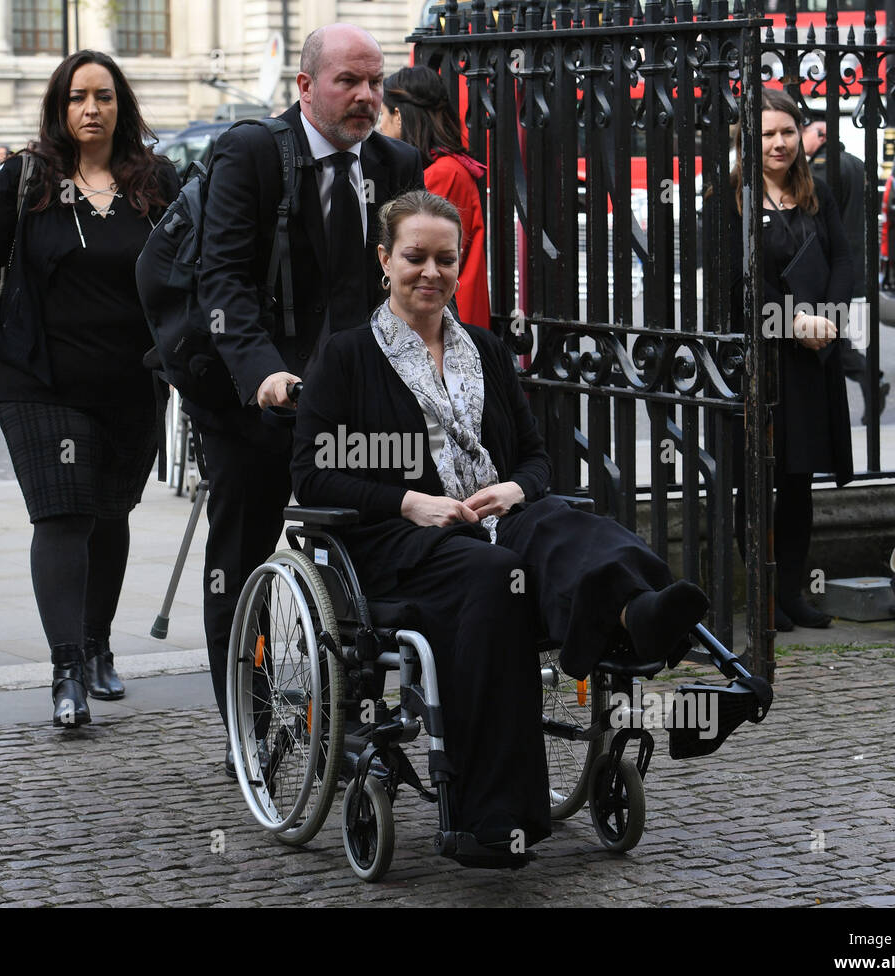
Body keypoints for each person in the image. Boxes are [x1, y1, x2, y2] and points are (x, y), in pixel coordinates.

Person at [291, 190, 709, 863]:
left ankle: (639, 613)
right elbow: (312, 474)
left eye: (445, 259)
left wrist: (516, 486)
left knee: (568, 526)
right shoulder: (345, 357)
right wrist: (408, 501)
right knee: (497, 576)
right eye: (415, 257)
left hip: (493, 520)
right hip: (405, 542)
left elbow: (536, 456)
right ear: (384, 259)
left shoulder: (482, 351)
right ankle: (492, 816)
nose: (430, 271)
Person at [193, 23, 425, 769]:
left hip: (352, 401)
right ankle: (253, 719)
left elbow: (413, 286)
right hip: (251, 393)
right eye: (346, 82)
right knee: (242, 549)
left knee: (368, 542)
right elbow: (221, 280)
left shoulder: (397, 163)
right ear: (304, 87)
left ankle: (352, 714)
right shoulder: (253, 154)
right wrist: (261, 370)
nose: (364, 96)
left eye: (374, 82)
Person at [0, 51, 179, 728]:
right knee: (63, 515)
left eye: (103, 96)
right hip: (39, 380)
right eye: (78, 97)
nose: (92, 109)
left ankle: (100, 645)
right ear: (59, 107)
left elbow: (192, 269)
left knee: (110, 512)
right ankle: (66, 669)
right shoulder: (27, 179)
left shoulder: (155, 181)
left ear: (121, 106)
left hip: (134, 381)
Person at [729, 90, 854, 630]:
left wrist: (828, 318)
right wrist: (791, 322)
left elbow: (846, 258)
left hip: (811, 361)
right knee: (757, 482)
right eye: (766, 133)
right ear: (745, 139)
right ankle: (762, 598)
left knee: (799, 484)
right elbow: (737, 288)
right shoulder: (730, 199)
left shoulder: (816, 192)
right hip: (762, 362)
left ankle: (792, 592)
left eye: (786, 131)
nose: (779, 143)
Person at [380, 65, 490, 327]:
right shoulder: (446, 167)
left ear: (398, 115)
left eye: (381, 114)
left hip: (443, 316)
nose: (380, 126)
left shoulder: (444, 173)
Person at [801, 118, 889, 425]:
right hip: (854, 262)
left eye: (803, 132)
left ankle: (868, 380)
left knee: (825, 335)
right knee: (829, 333)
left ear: (821, 134)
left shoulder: (823, 169)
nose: (799, 138)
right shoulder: (858, 163)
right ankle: (870, 382)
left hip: (829, 267)